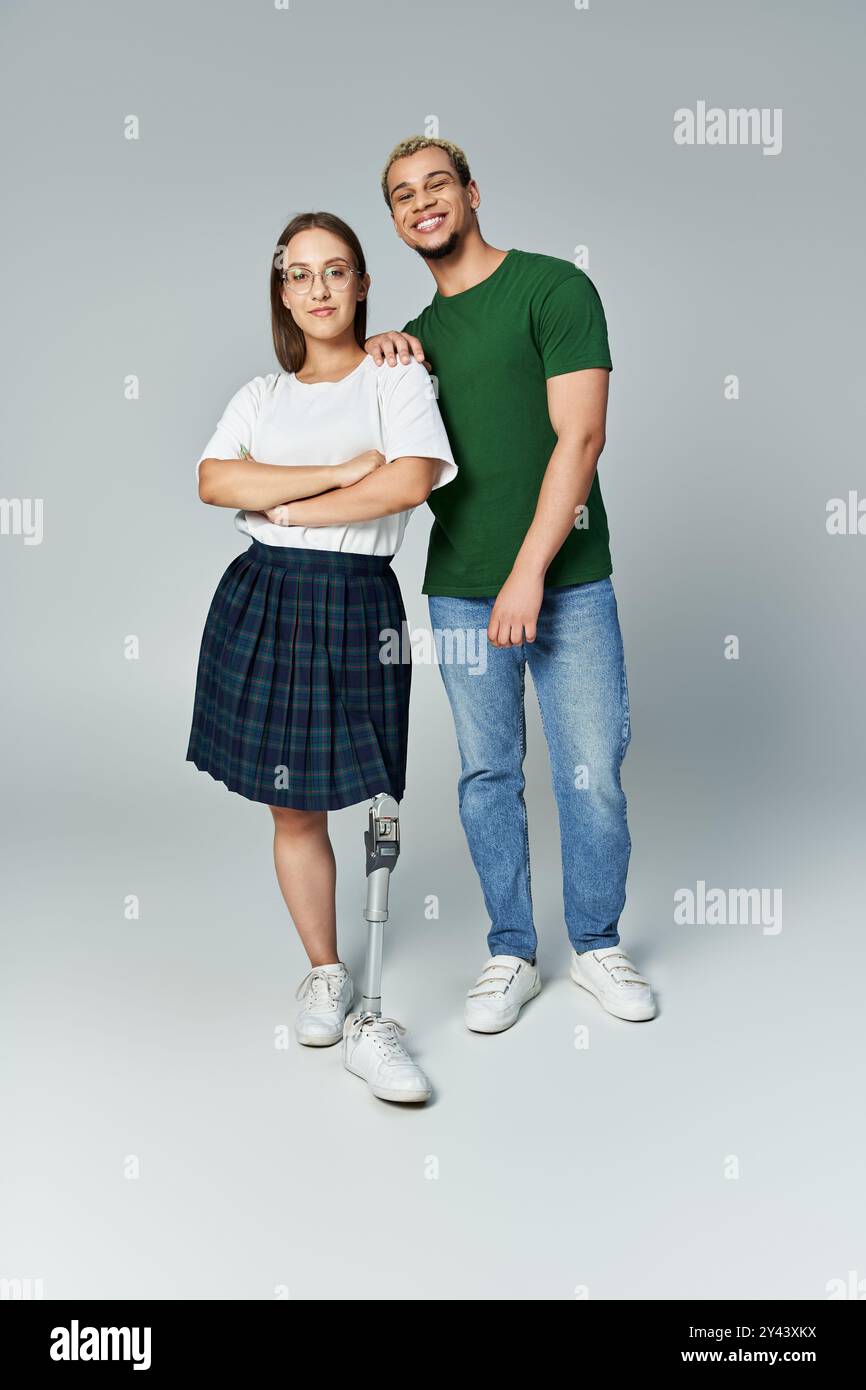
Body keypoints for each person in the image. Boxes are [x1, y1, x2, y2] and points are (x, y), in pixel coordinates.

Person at [365, 136, 657, 1033]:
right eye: (403, 195)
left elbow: (581, 438)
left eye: (436, 184)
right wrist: (379, 355)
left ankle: (598, 945)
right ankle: (512, 952)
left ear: (472, 193)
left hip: (564, 580)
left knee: (592, 774)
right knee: (488, 774)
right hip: (457, 586)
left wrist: (528, 574)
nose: (423, 202)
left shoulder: (553, 288)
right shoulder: (417, 342)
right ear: (397, 221)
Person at [187, 211, 457, 1101]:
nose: (318, 289)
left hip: (352, 599)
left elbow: (410, 479)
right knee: (290, 804)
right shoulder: (262, 396)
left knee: (373, 792)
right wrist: (340, 475)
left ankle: (375, 1016)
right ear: (282, 292)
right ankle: (328, 971)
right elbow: (216, 480)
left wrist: (294, 509)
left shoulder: (395, 376)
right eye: (299, 275)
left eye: (335, 271)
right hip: (262, 598)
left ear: (363, 283)